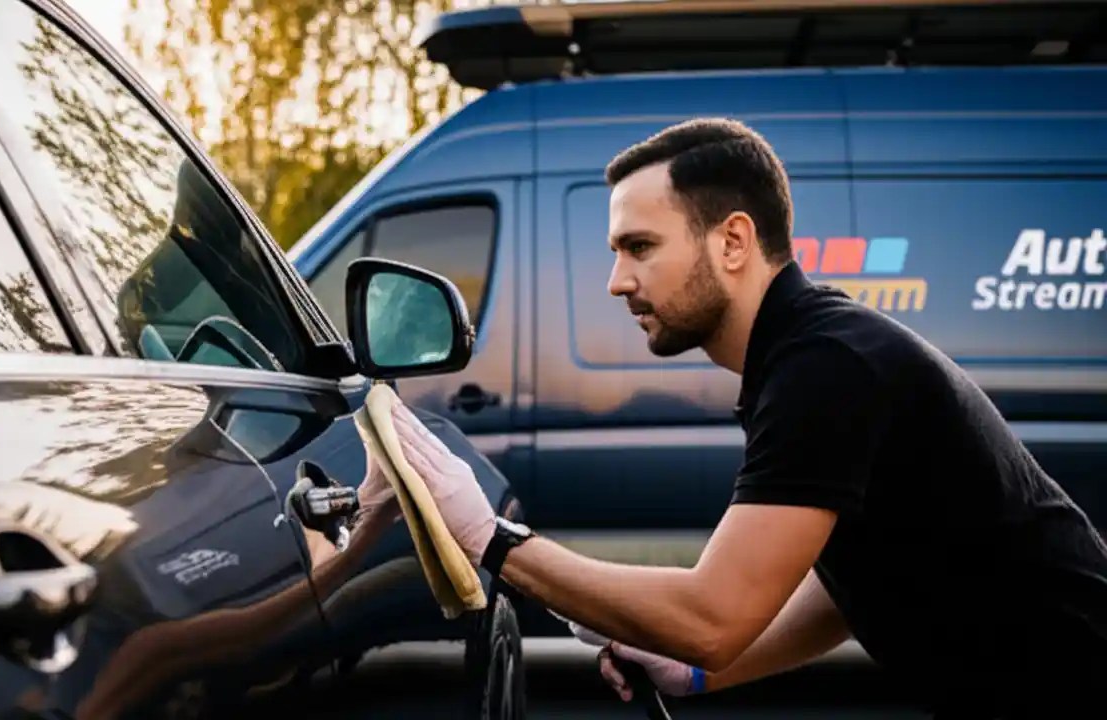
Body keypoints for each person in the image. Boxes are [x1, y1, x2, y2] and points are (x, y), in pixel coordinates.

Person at [361, 117, 1107, 718]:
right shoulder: (810, 349)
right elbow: (852, 581)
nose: (616, 281)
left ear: (734, 241)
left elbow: (710, 616)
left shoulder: (826, 367)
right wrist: (698, 676)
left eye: (640, 248)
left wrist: (488, 539)